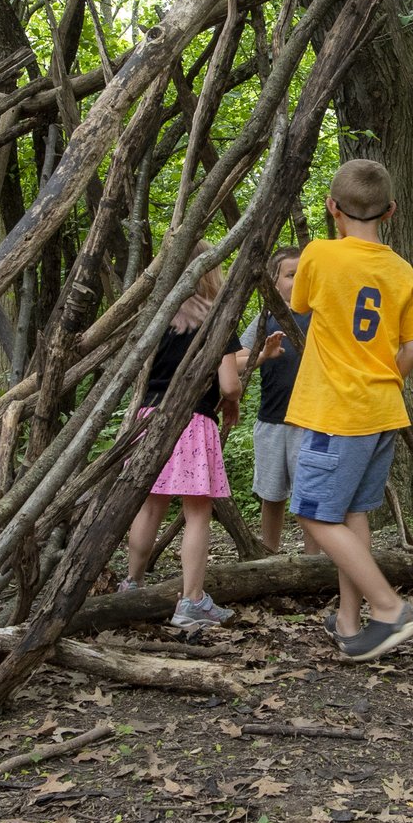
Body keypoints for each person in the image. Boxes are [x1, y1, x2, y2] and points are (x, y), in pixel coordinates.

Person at [285, 158, 413, 661]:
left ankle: (389, 607)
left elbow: (300, 306)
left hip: (336, 413)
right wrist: (380, 380)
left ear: (332, 208)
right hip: (382, 410)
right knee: (351, 512)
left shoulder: (319, 255)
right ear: (390, 211)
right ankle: (349, 621)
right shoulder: (403, 270)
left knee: (311, 514)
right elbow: (412, 350)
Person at [122, 266, 246, 629]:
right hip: (191, 419)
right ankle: (191, 600)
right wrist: (233, 399)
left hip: (149, 418)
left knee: (149, 506)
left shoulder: (157, 316)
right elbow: (230, 385)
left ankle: (132, 584)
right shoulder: (217, 320)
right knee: (197, 513)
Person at [239, 249, 310, 552]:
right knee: (272, 494)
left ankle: (313, 560)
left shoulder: (318, 316)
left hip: (309, 421)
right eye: (290, 275)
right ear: (275, 281)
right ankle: (270, 552)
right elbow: (236, 359)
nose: (297, 280)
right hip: (271, 419)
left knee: (308, 495)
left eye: (302, 274)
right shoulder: (265, 318)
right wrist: (263, 355)